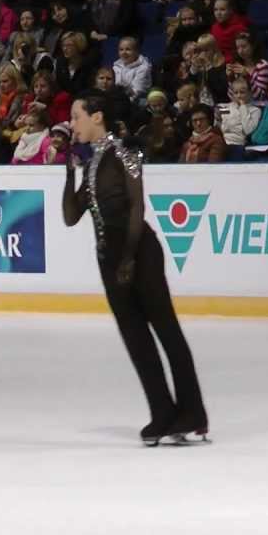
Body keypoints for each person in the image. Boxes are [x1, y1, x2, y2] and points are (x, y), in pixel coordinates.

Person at [63, 95, 208, 445]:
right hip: (108, 258)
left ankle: (192, 412)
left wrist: (128, 258)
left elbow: (136, 207)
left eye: (76, 116)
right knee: (136, 339)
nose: (71, 124)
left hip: (139, 252)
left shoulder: (126, 153)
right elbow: (70, 216)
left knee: (166, 330)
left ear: (97, 116)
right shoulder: (92, 163)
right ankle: (162, 412)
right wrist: (69, 173)